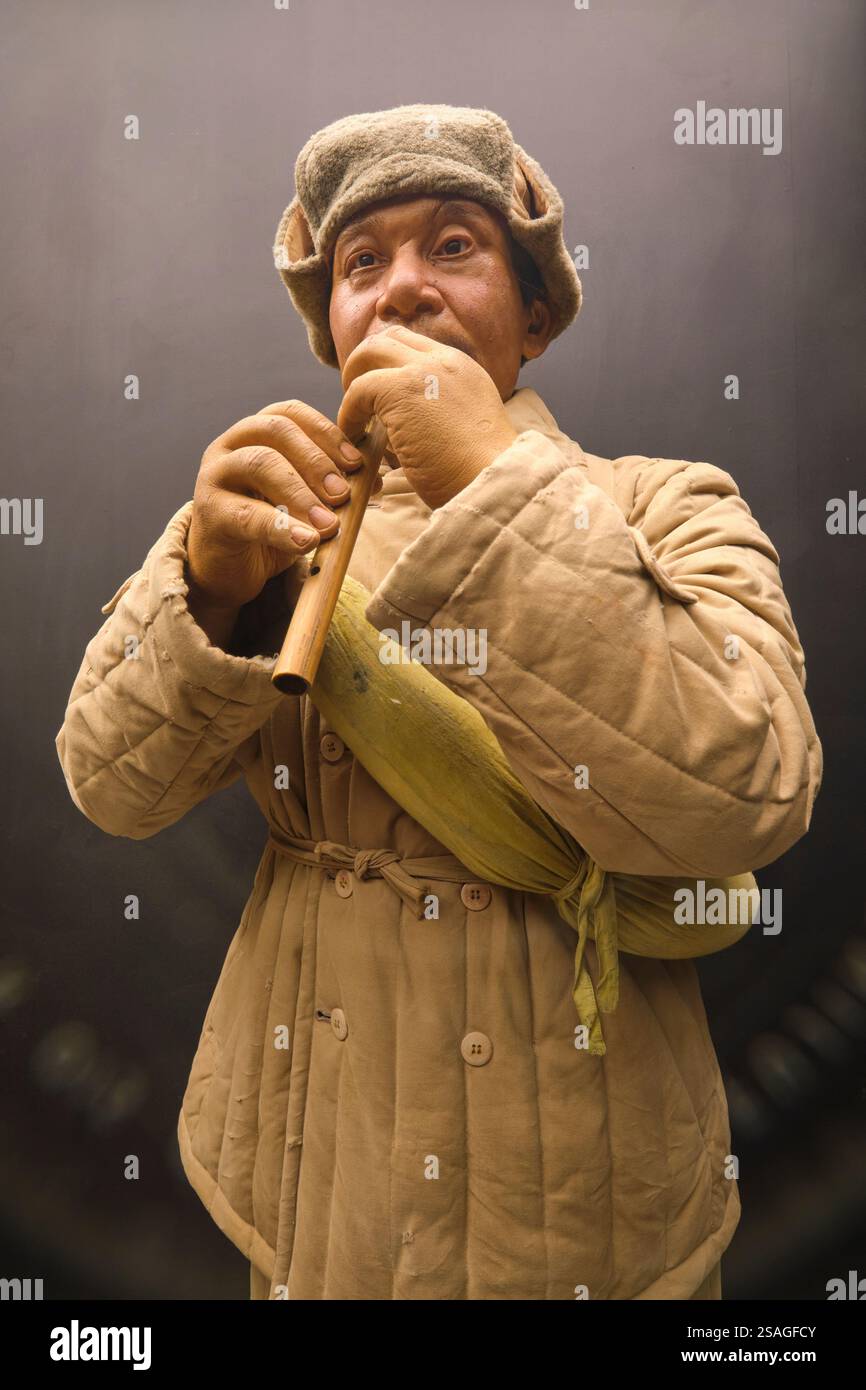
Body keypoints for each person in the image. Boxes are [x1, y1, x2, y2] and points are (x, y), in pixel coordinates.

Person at [55, 103, 822, 1300]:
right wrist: (207, 589)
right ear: (332, 326)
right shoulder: (265, 529)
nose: (401, 287)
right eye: (362, 263)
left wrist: (485, 484)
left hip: (586, 1207)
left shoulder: (666, 504)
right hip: (319, 1191)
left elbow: (747, 795)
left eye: (453, 245)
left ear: (533, 311)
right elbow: (111, 788)